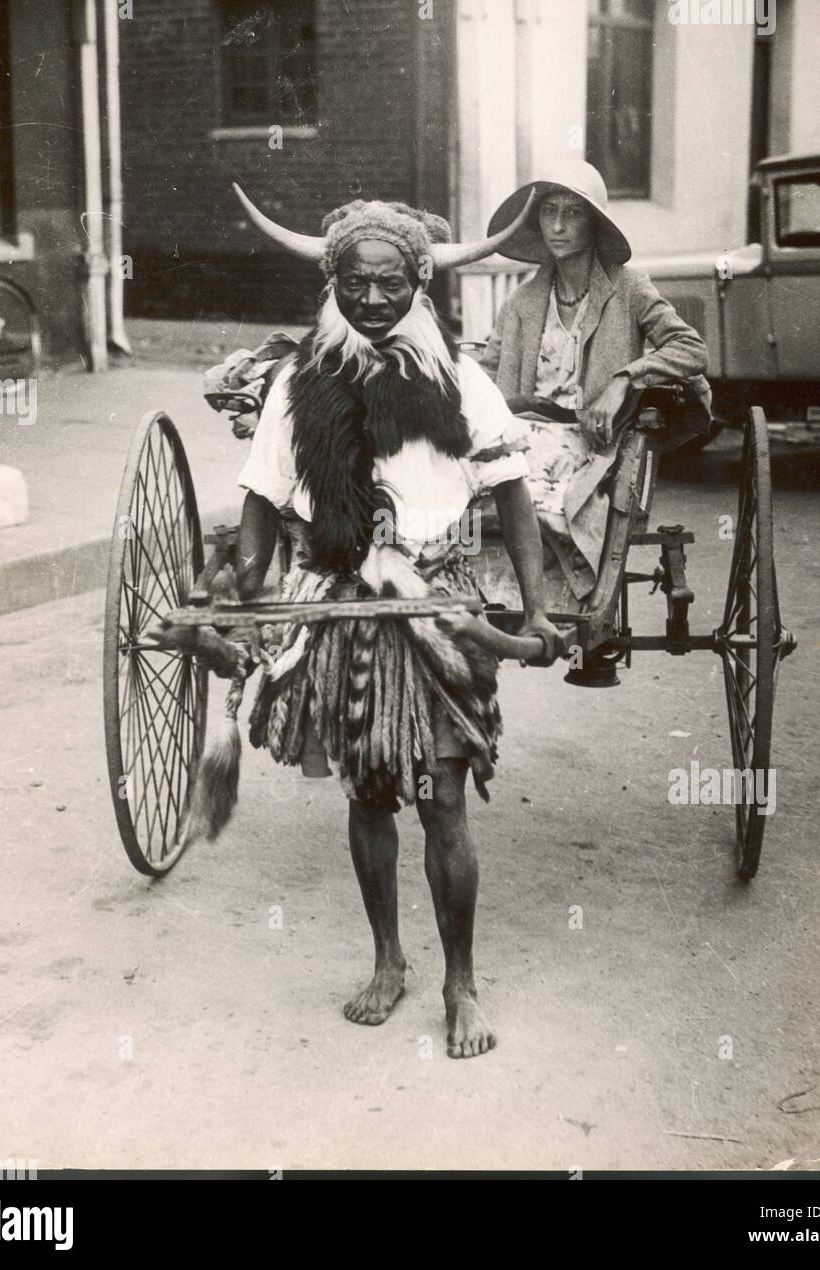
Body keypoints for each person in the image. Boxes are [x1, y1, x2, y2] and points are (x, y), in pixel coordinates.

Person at [231, 185, 561, 1058]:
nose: (371, 300)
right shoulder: (298, 388)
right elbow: (261, 499)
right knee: (369, 792)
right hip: (341, 607)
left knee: (443, 796)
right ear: (330, 282)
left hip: (441, 608)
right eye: (353, 282)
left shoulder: (460, 381)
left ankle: (461, 980)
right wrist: (245, 598)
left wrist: (531, 607)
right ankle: (387, 960)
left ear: (420, 282)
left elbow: (512, 495)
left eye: (389, 283)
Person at [479, 160, 711, 613]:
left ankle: (562, 608)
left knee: (532, 499)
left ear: (595, 223)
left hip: (596, 444)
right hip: (523, 436)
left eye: (573, 212)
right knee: (466, 498)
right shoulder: (522, 302)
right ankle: (498, 602)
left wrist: (625, 379)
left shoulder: (629, 289)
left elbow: (691, 348)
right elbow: (487, 376)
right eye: (548, 212)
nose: (559, 226)